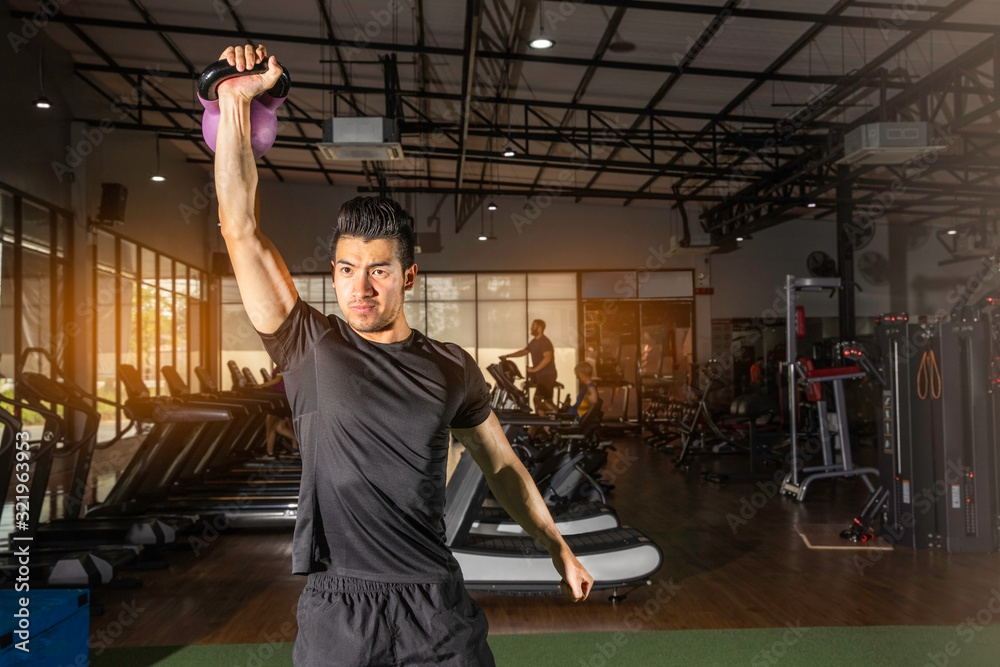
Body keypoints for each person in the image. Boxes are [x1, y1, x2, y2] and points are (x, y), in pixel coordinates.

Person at [213, 44, 593, 666]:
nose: (360, 288)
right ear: (333, 275)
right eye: (346, 270)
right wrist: (234, 103)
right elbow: (239, 228)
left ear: (409, 276)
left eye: (379, 271)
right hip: (340, 605)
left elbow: (501, 467)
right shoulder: (307, 343)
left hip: (434, 604)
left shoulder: (451, 367)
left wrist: (557, 547)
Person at [502, 319, 558, 417]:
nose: (531, 328)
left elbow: (547, 358)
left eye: (533, 326)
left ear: (539, 328)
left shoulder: (544, 341)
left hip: (547, 376)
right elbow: (524, 352)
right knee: (546, 401)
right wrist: (508, 356)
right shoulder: (534, 342)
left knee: (537, 399)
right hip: (541, 376)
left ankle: (556, 414)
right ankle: (546, 425)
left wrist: (534, 369)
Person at [256, 367, 299, 457]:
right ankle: (299, 443)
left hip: (279, 399)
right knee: (279, 427)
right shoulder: (280, 366)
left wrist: (260, 386)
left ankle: (269, 453)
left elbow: (277, 379)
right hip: (280, 398)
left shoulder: (281, 366)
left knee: (270, 424)